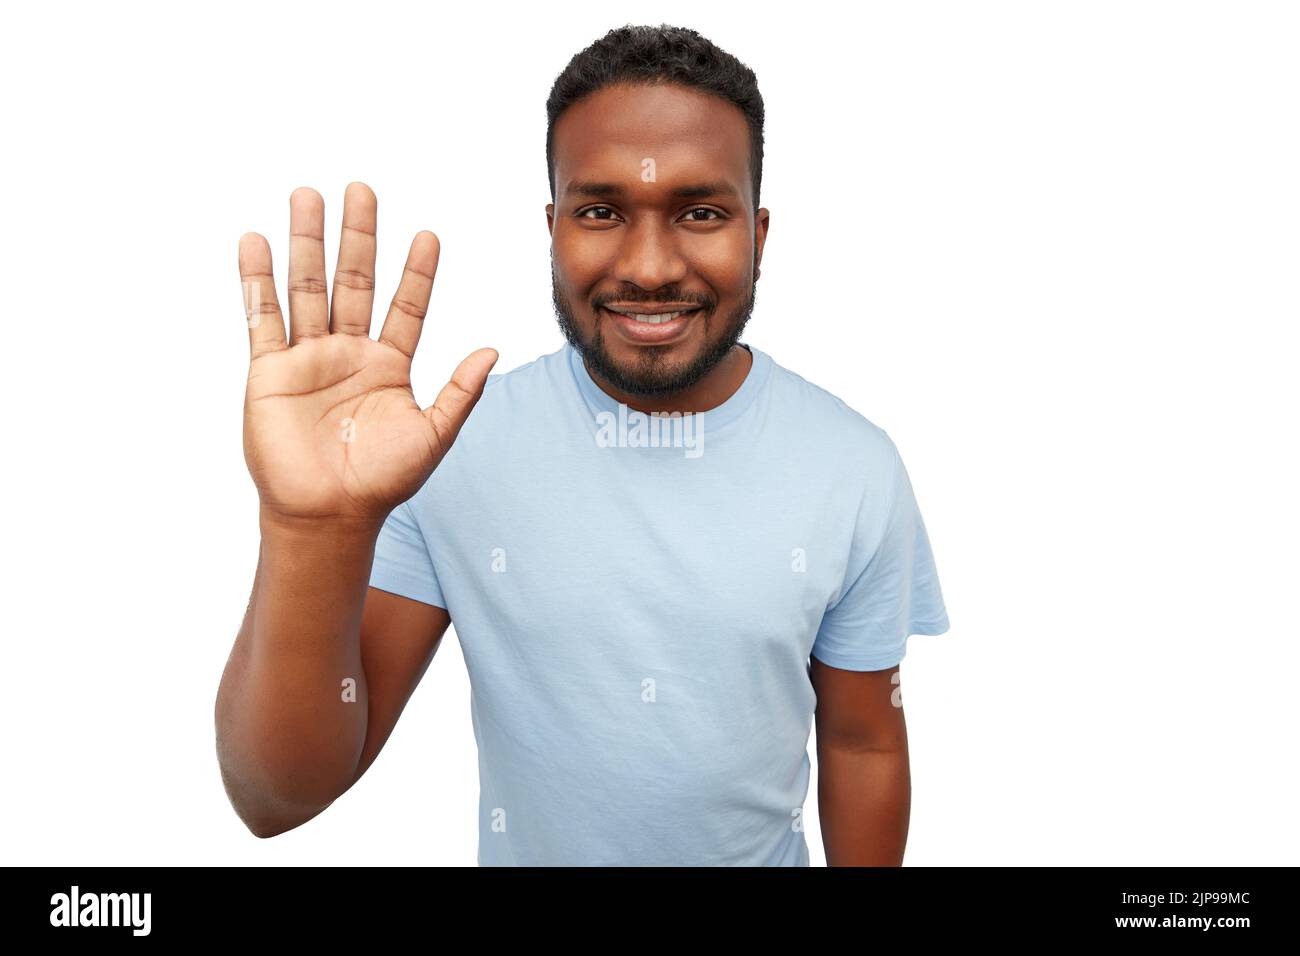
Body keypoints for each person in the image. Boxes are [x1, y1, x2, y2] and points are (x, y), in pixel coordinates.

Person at [216, 24, 951, 866]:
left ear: (760, 233)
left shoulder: (852, 467)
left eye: (701, 212)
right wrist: (312, 532)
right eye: (601, 212)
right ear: (552, 227)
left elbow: (863, 744)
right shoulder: (449, 451)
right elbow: (277, 796)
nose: (647, 266)